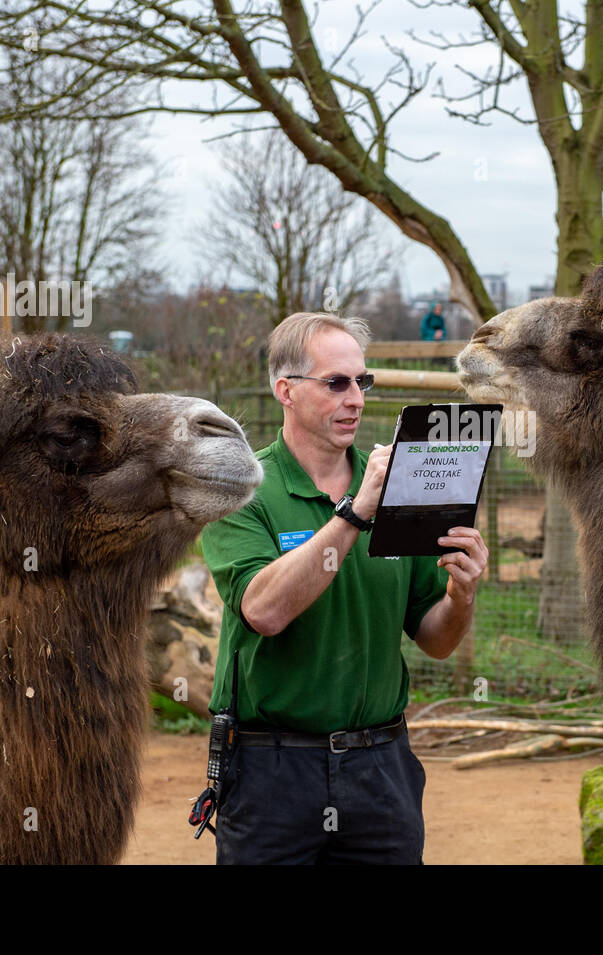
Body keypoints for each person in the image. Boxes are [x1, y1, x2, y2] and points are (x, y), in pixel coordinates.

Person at [200, 311, 488, 864]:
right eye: (336, 382)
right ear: (285, 390)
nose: (355, 398)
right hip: (271, 775)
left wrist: (461, 595)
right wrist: (356, 513)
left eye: (363, 381)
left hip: (380, 769)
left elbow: (435, 639)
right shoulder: (243, 493)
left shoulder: (406, 486)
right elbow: (263, 609)